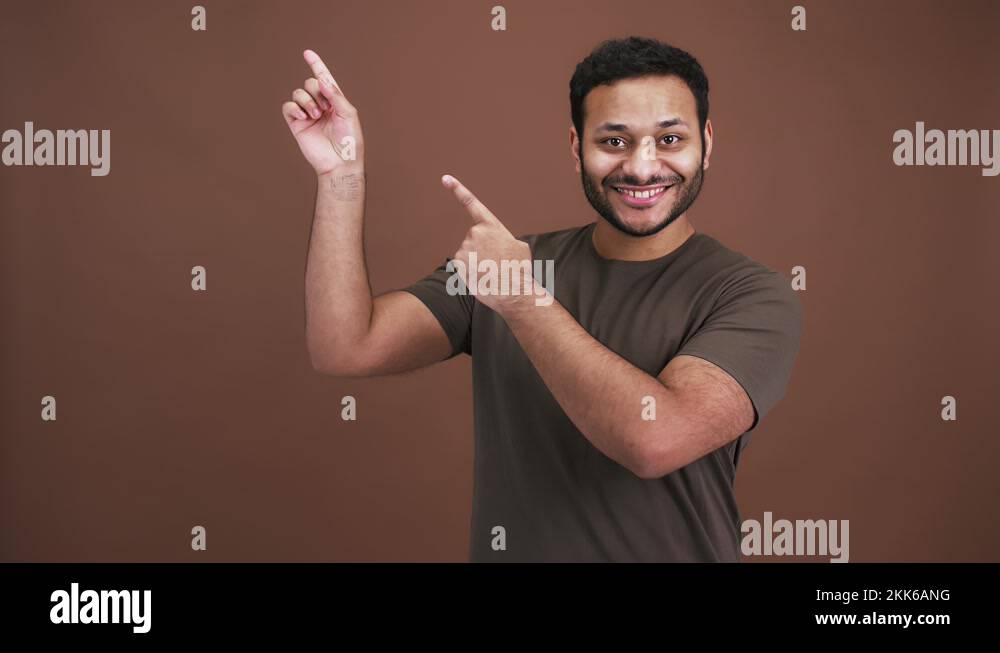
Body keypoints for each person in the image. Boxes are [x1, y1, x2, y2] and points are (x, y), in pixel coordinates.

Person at [282, 36, 804, 562]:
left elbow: (654, 441)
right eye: (614, 141)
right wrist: (340, 176)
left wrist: (522, 300)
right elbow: (345, 346)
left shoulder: (751, 295)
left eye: (669, 140)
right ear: (577, 147)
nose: (643, 168)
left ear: (706, 143)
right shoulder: (513, 264)